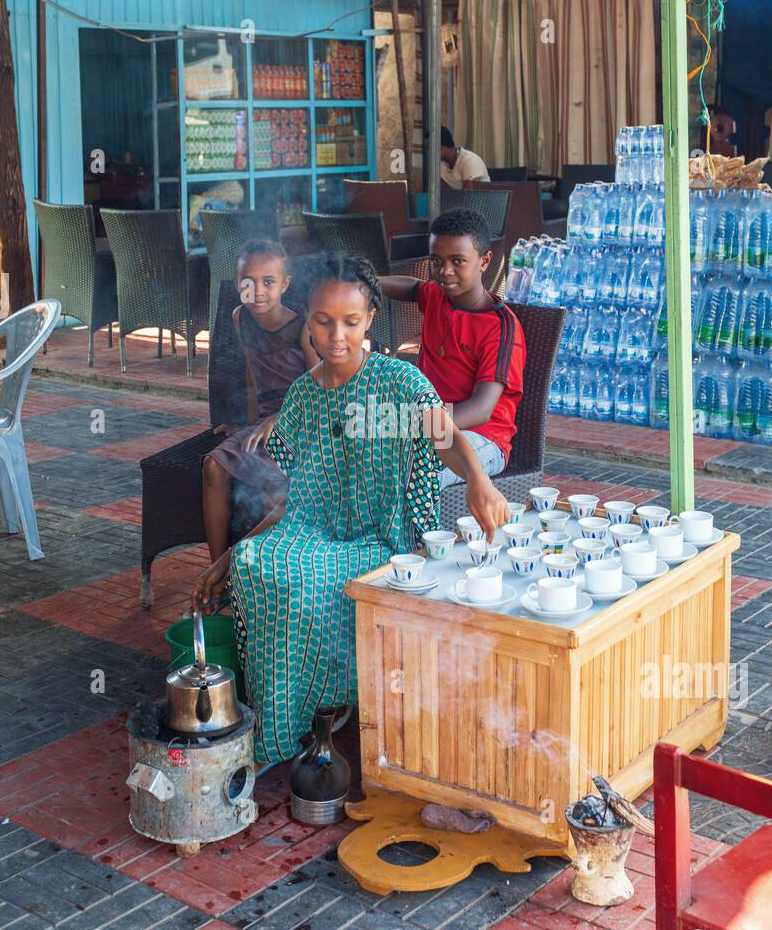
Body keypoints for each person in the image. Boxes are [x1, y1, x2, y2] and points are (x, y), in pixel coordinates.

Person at [191, 254, 509, 766]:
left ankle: (325, 708)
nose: (336, 335)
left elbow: (444, 435)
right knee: (256, 565)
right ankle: (283, 726)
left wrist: (477, 480)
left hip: (383, 539)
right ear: (309, 319)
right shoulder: (302, 398)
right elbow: (294, 502)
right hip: (313, 528)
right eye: (323, 321)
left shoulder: (397, 383)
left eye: (351, 322)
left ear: (370, 321)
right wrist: (225, 559)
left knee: (301, 576)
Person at [379, 208, 526, 489]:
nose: (445, 272)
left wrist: (412, 426)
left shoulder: (502, 328)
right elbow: (413, 288)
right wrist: (370, 284)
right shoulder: (438, 295)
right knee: (351, 441)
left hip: (481, 437)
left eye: (458, 261)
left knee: (409, 470)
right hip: (425, 421)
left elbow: (481, 409)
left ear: (484, 261)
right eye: (436, 261)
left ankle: (414, 534)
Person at [202, 238, 318, 562]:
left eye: (268, 282)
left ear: (285, 284)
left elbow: (317, 389)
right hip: (262, 424)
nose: (258, 291)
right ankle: (216, 570)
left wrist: (277, 419)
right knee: (213, 465)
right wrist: (249, 423)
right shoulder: (241, 317)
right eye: (248, 282)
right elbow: (253, 376)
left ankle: (257, 571)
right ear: (238, 284)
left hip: (298, 423)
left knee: (275, 491)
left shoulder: (302, 327)